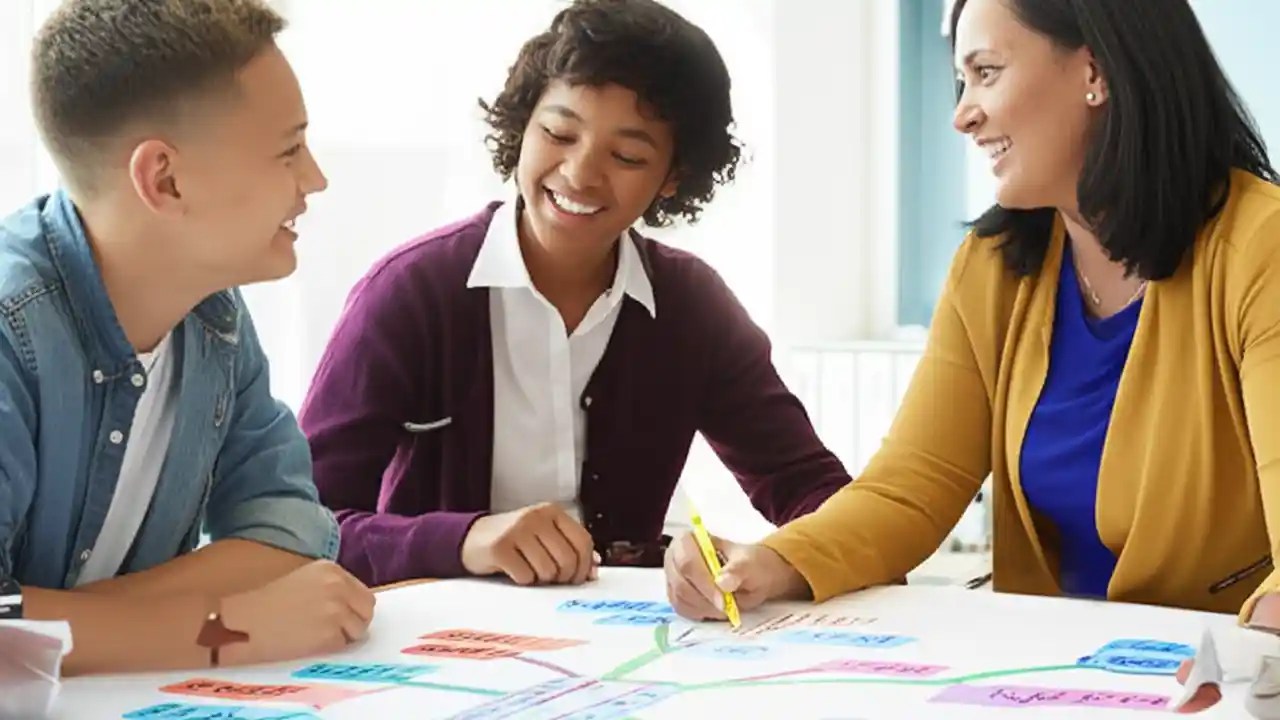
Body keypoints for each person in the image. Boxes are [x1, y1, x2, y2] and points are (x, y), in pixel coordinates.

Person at [663, 0, 1280, 635]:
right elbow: (909, 490)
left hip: (1213, 679)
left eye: (986, 72)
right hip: (1048, 674)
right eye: (962, 82)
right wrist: (768, 563)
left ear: (1095, 72)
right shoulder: (992, 266)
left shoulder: (1262, 247)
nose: (962, 115)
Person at [298, 0, 852, 589]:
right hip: (438, 642)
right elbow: (300, 527)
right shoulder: (410, 295)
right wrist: (465, 538)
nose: (581, 174)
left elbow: (808, 487)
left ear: (673, 175)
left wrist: (775, 562)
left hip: (622, 643)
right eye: (559, 133)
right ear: (522, 126)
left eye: (628, 156)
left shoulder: (693, 307)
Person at [0, 0, 374, 675]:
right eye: (289, 150)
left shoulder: (212, 315)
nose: (314, 179)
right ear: (164, 179)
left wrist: (64, 619)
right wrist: (217, 628)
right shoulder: (10, 333)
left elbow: (289, 529)